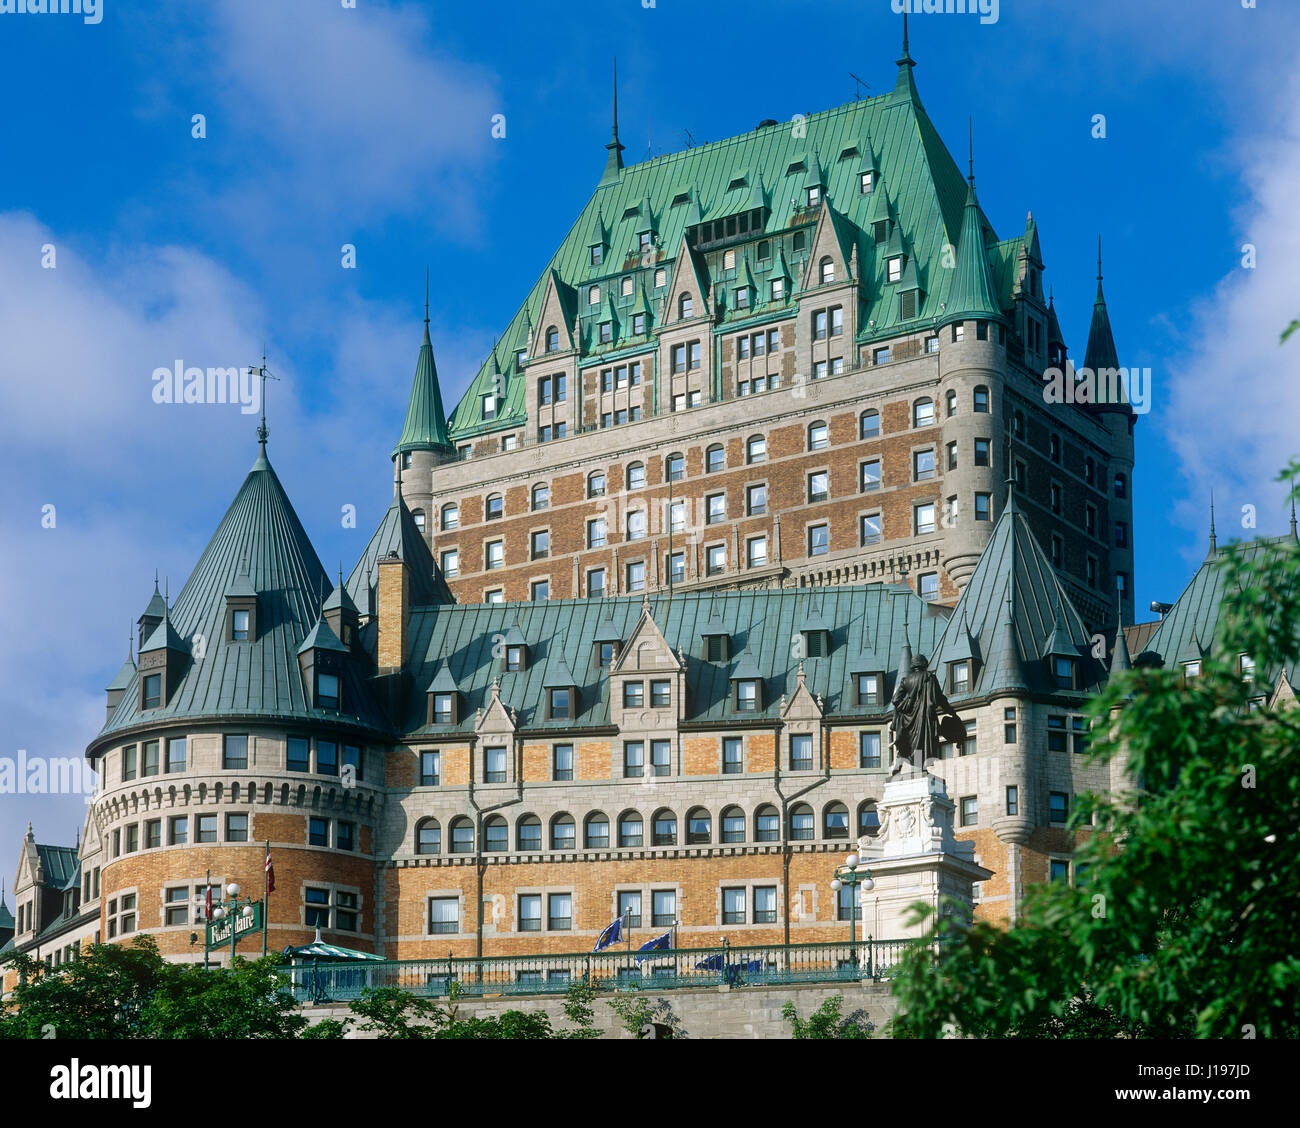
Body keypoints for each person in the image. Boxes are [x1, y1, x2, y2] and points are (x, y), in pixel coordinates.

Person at [890, 655, 963, 775]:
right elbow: (940, 698)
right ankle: (921, 769)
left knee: (906, 743)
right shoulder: (930, 678)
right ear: (924, 664)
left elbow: (895, 700)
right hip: (925, 718)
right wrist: (951, 712)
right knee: (922, 742)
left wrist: (907, 706)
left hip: (908, 720)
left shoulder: (906, 680)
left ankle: (898, 766)